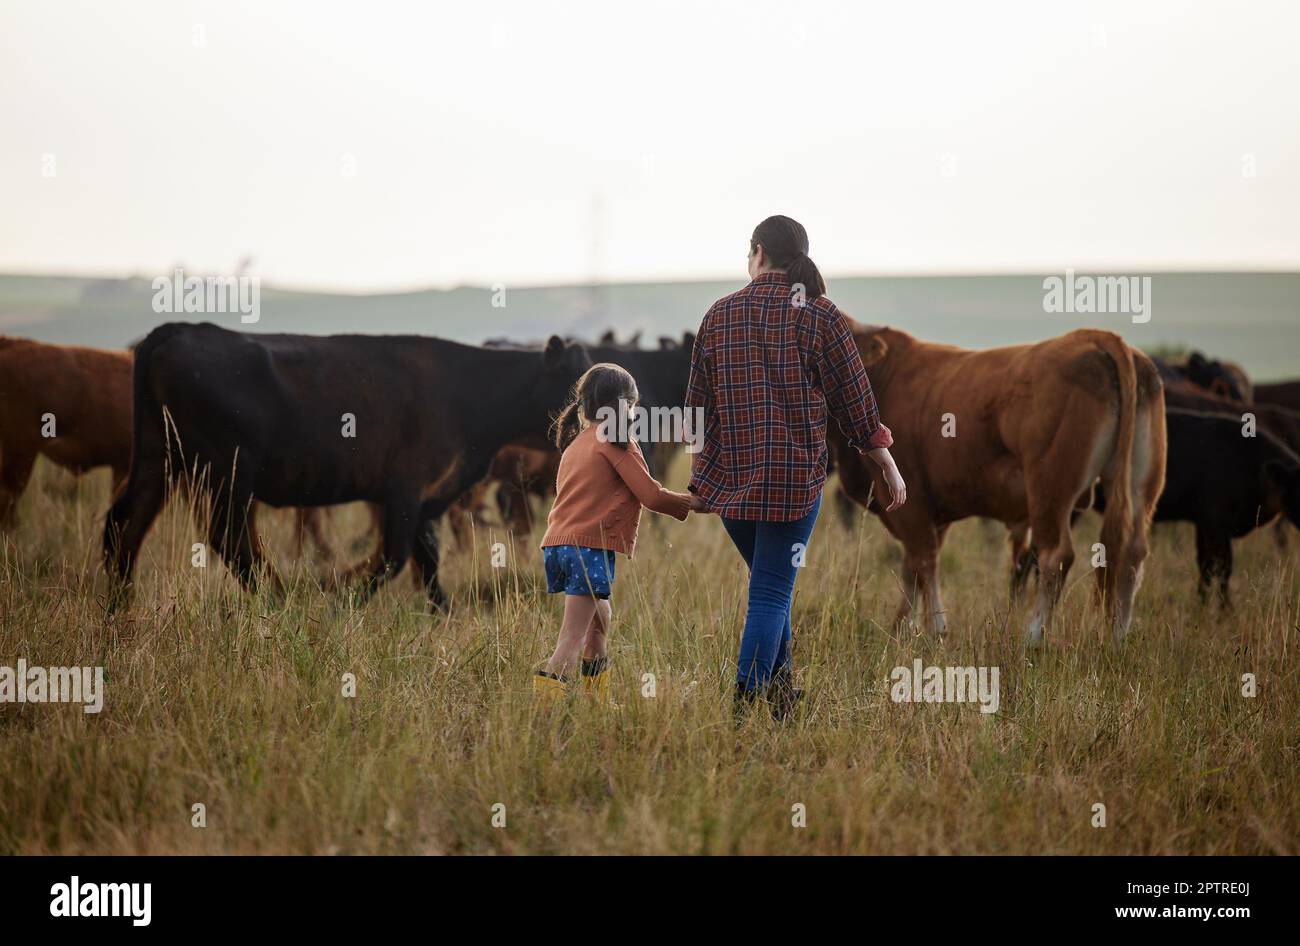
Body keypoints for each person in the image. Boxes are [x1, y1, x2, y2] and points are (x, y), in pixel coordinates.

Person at [685, 215, 906, 718]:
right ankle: (745, 706)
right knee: (770, 591)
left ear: (758, 252)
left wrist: (700, 477)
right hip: (792, 485)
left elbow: (695, 412)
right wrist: (888, 466)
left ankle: (782, 694)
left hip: (730, 487)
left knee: (769, 585)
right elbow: (857, 407)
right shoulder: (822, 315)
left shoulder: (718, 315)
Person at [535, 362, 695, 704]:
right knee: (571, 639)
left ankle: (597, 703)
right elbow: (650, 495)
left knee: (599, 621)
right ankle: (543, 714)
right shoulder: (618, 441)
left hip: (558, 546)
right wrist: (693, 503)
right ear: (625, 404)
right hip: (588, 549)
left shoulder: (576, 443)